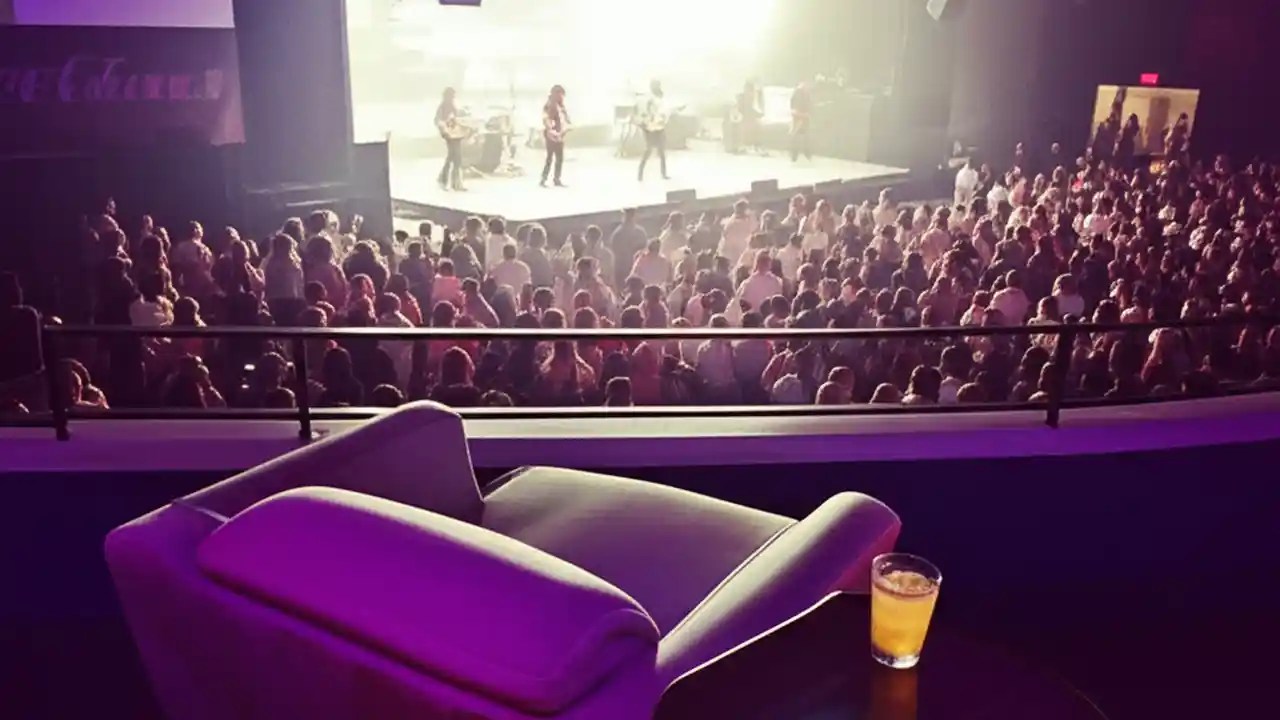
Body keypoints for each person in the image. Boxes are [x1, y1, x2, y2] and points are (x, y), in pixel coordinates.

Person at [638, 79, 672, 181]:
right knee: (648, 150)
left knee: (661, 151)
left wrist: (663, 118)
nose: (657, 87)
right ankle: (640, 173)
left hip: (659, 126)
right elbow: (647, 112)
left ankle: (663, 174)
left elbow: (664, 110)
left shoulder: (662, 96)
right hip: (650, 127)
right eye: (655, 85)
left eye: (658, 85)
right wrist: (649, 120)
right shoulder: (650, 98)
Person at [435, 87, 466, 191]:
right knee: (456, 157)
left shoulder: (451, 106)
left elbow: (455, 118)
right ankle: (454, 183)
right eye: (452, 95)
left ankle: (445, 179)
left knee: (453, 157)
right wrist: (444, 128)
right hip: (450, 135)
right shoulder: (443, 106)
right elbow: (438, 120)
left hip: (455, 134)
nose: (453, 97)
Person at [540, 84, 569, 188]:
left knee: (559, 158)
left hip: (559, 134)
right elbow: (546, 119)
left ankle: (557, 179)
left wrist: (566, 127)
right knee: (549, 158)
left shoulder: (560, 106)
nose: (561, 97)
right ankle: (543, 179)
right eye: (560, 94)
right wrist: (550, 130)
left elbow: (565, 118)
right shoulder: (549, 105)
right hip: (551, 135)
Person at [790, 81, 814, 162]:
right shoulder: (799, 92)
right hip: (799, 116)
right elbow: (793, 105)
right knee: (799, 137)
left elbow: (809, 104)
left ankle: (803, 154)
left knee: (804, 137)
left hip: (802, 116)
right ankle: (797, 155)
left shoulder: (805, 93)